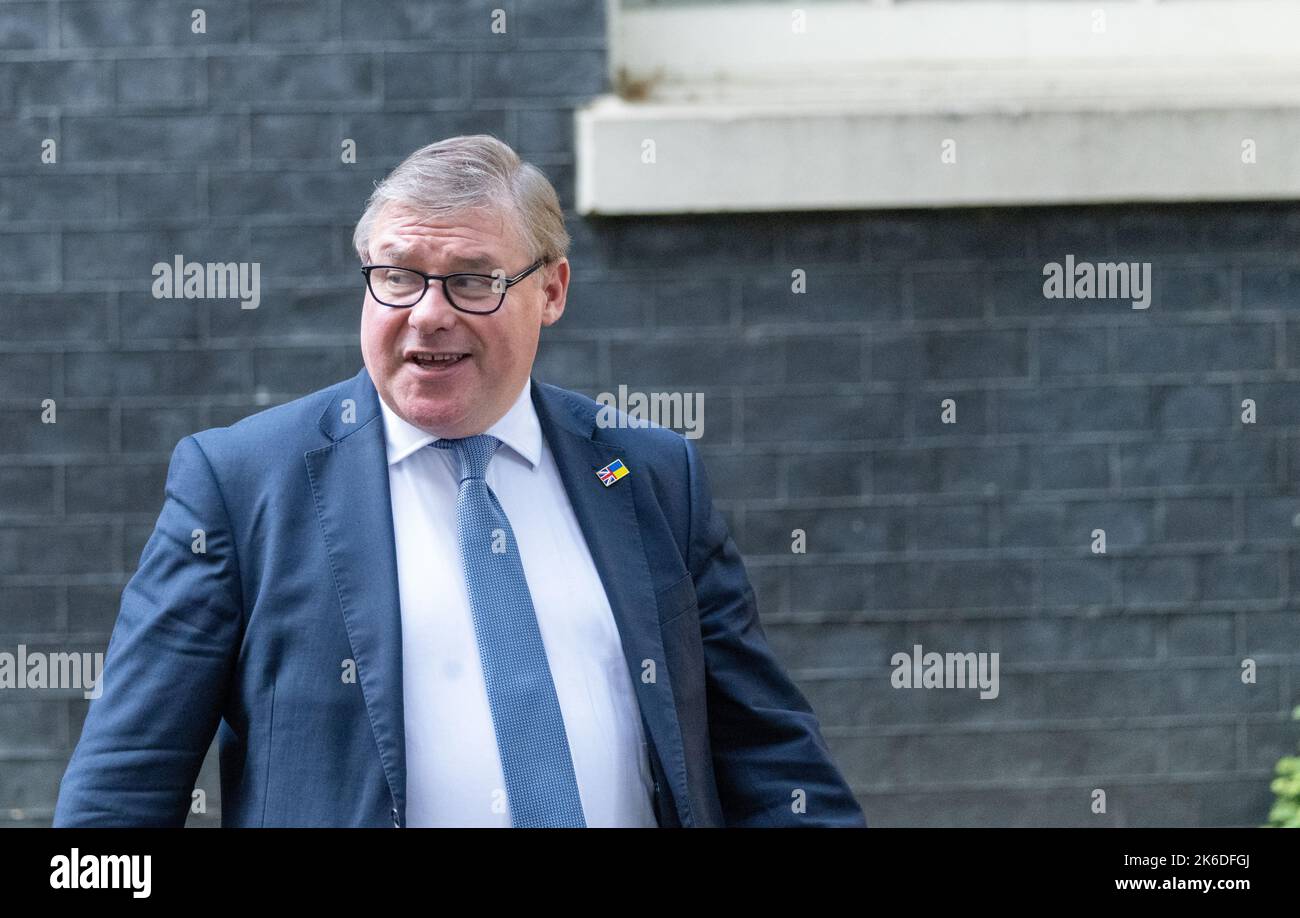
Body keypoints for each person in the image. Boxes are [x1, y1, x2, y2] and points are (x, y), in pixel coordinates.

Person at [53, 134, 866, 828]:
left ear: (551, 291)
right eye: (398, 275)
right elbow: (122, 791)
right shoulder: (240, 485)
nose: (428, 313)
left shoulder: (650, 475)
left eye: (473, 280)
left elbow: (768, 754)